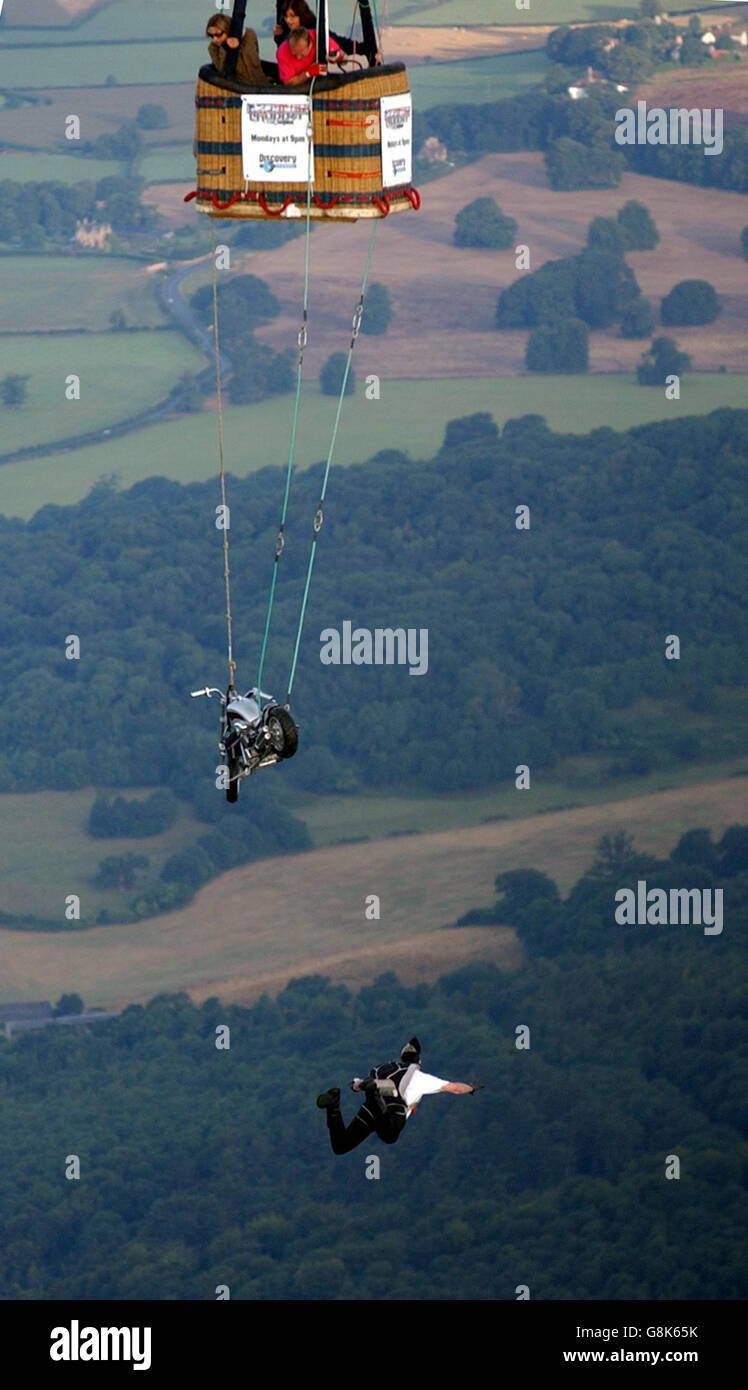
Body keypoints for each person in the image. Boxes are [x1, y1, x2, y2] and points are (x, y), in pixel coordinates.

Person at [317, 1036, 481, 1155]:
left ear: (402, 1058)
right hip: (392, 1111)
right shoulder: (419, 1077)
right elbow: (456, 1088)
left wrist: (358, 1086)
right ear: (418, 1062)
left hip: (370, 1107)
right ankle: (376, 1096)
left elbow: (360, 1084)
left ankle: (333, 1107)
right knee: (389, 1135)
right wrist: (471, 1088)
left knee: (341, 1146)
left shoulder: (386, 1068)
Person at [205, 11, 270, 87]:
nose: (215, 39)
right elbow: (223, 71)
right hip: (240, 91)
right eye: (211, 36)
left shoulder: (249, 35)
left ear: (227, 30)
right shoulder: (213, 48)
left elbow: (254, 56)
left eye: (218, 34)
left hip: (262, 85)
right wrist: (224, 47)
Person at [277, 25, 345, 85]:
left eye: (302, 53)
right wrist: (307, 73)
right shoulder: (282, 52)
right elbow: (288, 83)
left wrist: (336, 57)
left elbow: (342, 55)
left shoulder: (320, 38)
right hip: (300, 90)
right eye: (294, 54)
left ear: (310, 45)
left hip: (324, 83)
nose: (298, 57)